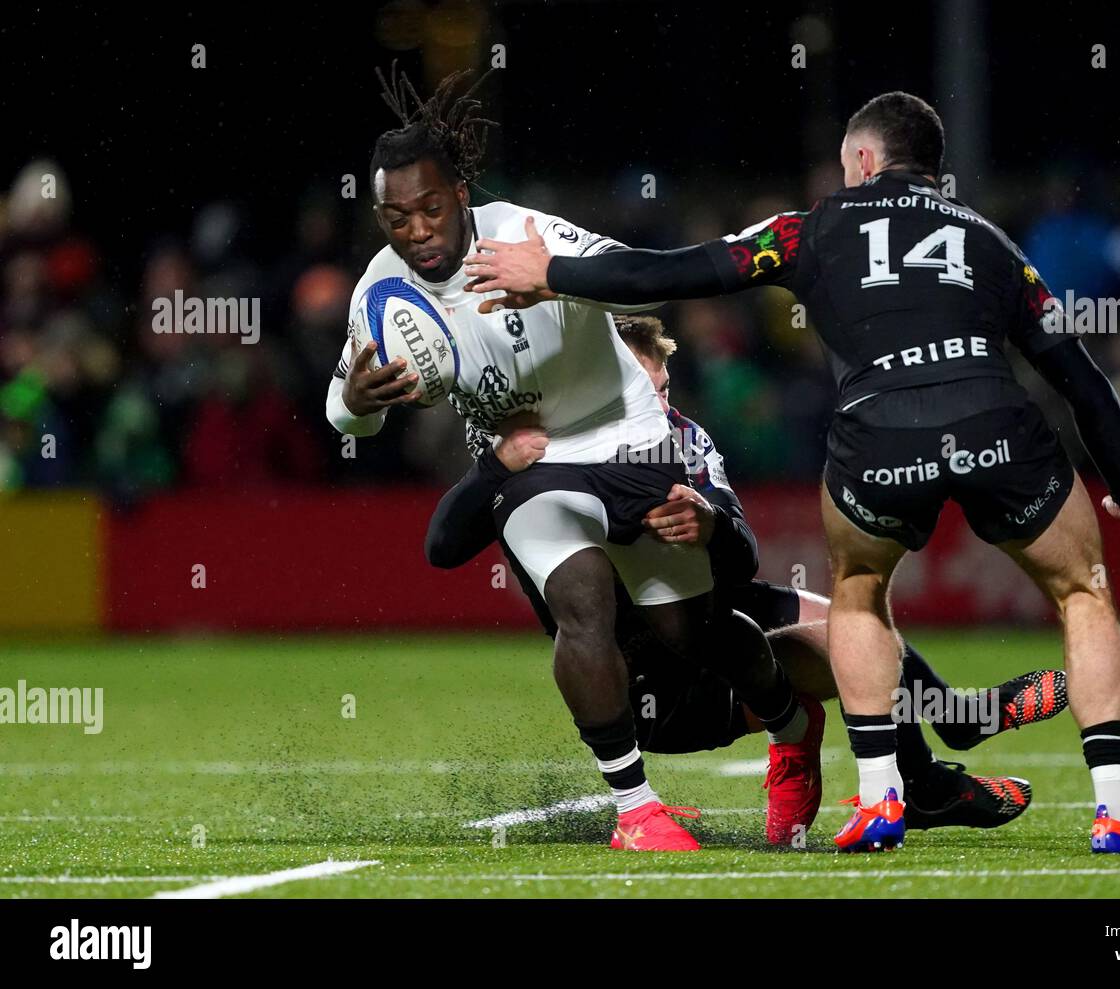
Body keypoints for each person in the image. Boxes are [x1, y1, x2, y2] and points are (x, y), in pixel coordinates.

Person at [461, 92, 1120, 855]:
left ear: (864, 159)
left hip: (878, 432)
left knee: (858, 594)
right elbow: (1080, 378)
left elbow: (676, 271)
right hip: (992, 420)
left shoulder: (809, 229)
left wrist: (555, 272)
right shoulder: (991, 242)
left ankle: (881, 801)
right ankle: (1117, 811)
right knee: (1084, 591)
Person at [326, 68, 807, 852]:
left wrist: (553, 277)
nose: (414, 229)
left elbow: (642, 278)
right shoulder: (379, 292)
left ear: (462, 191)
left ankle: (792, 727)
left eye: (429, 207)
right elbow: (343, 409)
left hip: (624, 435)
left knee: (693, 632)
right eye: (394, 216)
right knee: (583, 602)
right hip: (532, 463)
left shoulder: (527, 234)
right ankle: (638, 811)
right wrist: (359, 399)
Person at [426, 314, 1071, 843]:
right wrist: (492, 469)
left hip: (718, 613)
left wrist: (709, 526)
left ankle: (948, 730)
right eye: (643, 390)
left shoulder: (683, 439)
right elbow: (442, 547)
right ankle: (912, 761)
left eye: (665, 387)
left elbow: (742, 556)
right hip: (661, 687)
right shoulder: (542, 455)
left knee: (857, 627)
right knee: (822, 647)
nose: (659, 404)